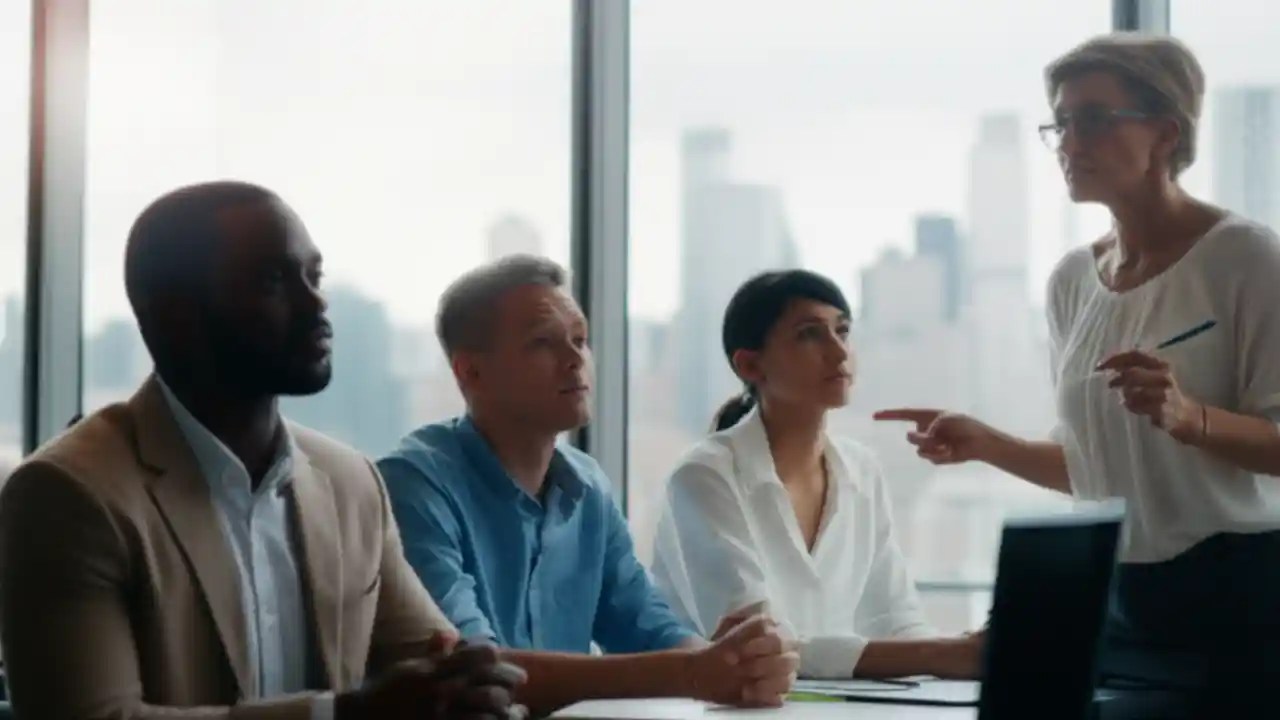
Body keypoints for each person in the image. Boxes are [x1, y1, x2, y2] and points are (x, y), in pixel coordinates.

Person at [0, 182, 526, 720]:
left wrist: (472, 688)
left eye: (313, 276)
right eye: (273, 280)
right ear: (174, 316)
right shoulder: (66, 494)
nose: (315, 302)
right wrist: (342, 715)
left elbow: (440, 668)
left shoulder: (350, 482)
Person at [877, 34, 1280, 697]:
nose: (1068, 141)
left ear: (1165, 131)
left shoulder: (1245, 257)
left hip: (1242, 596)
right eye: (1060, 123)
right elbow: (1093, 467)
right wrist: (988, 444)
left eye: (1092, 118)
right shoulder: (1072, 280)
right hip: (1116, 595)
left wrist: (1192, 418)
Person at [379, 255, 799, 714]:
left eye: (580, 340)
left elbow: (648, 629)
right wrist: (696, 671)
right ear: (470, 373)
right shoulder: (413, 486)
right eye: (543, 343)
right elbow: (473, 675)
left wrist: (735, 659)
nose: (575, 359)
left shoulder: (587, 485)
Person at [649, 270, 983, 681]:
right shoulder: (705, 475)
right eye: (810, 335)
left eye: (842, 331)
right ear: (751, 364)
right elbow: (759, 648)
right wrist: (940, 654)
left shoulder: (862, 469)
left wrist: (967, 655)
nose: (840, 352)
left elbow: (896, 619)